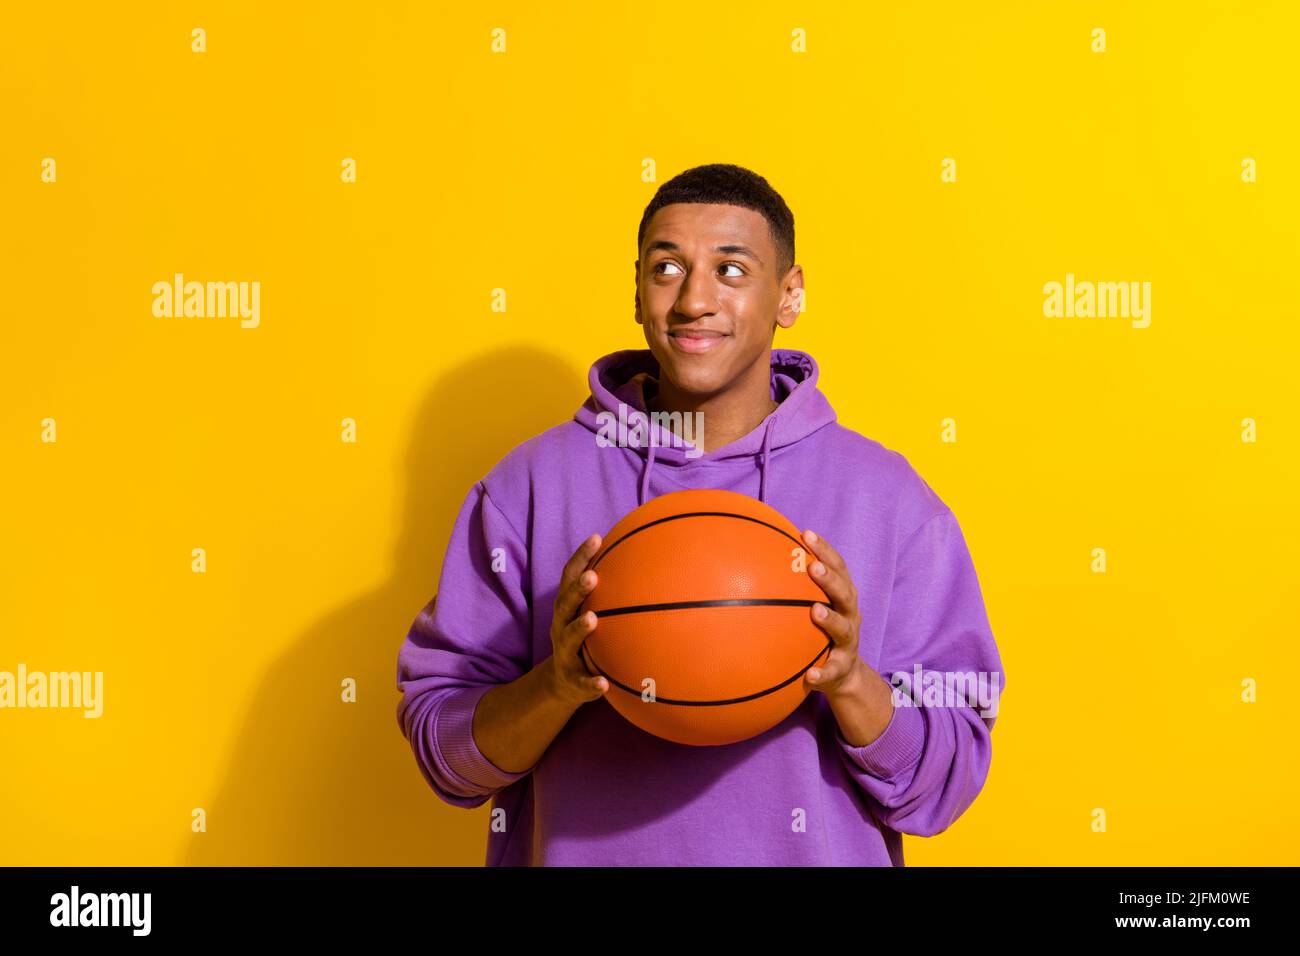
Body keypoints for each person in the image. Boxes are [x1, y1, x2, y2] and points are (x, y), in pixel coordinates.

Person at [395, 163, 1005, 866]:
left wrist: (849, 681)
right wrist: (556, 685)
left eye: (732, 270)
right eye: (666, 268)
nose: (694, 300)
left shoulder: (890, 499)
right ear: (636, 290)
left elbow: (943, 791)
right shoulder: (529, 485)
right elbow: (447, 758)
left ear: (790, 294)